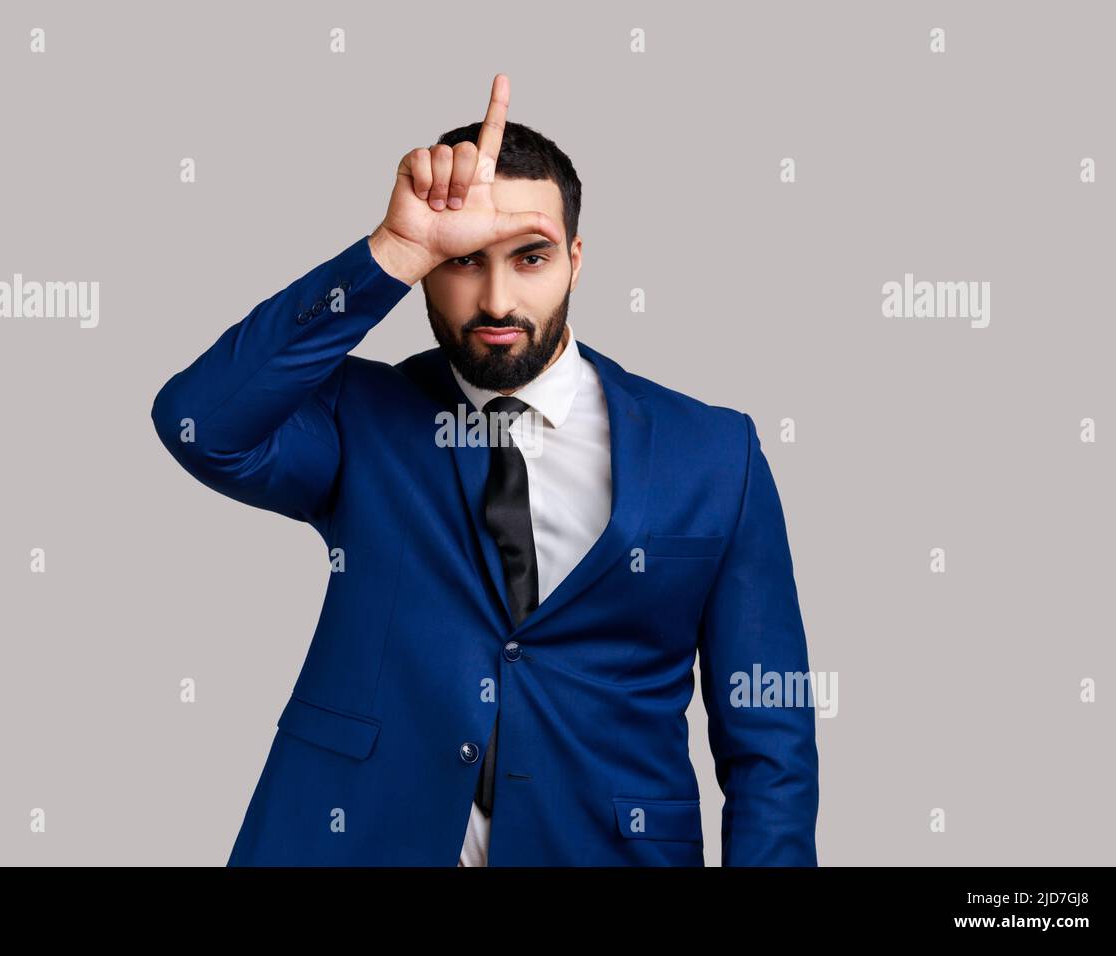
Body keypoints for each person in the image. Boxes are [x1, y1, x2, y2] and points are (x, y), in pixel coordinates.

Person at [151, 74, 818, 866]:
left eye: (530, 258)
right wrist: (386, 254)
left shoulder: (714, 453)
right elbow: (202, 423)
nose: (498, 301)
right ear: (428, 272)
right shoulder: (362, 419)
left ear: (575, 260)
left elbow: (769, 738)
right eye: (464, 262)